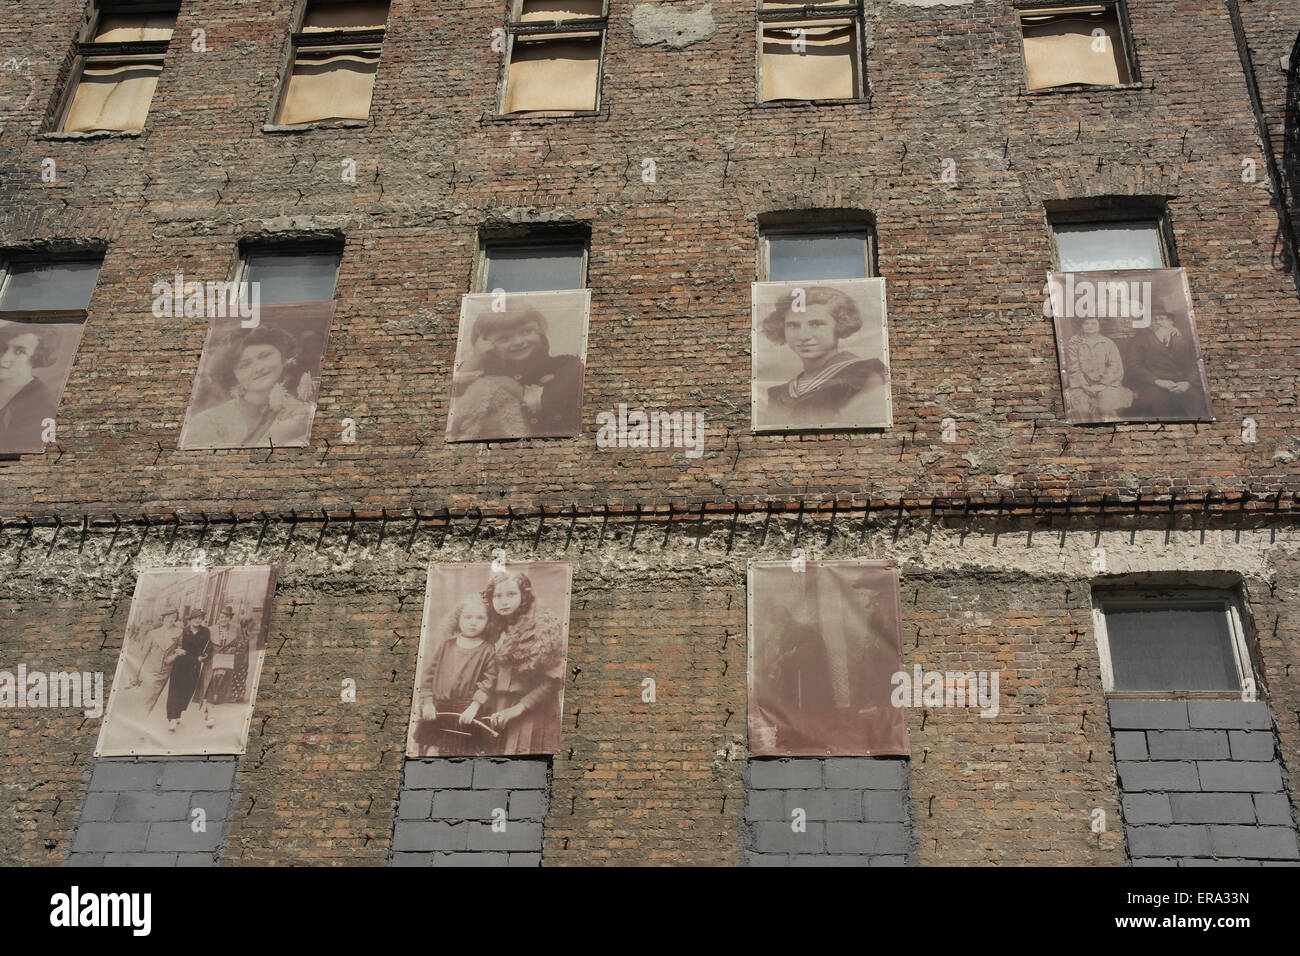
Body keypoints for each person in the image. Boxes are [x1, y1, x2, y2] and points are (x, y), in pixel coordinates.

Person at [447, 306, 584, 440]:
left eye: (526, 332)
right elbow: (454, 404)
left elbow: (559, 401)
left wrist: (520, 392)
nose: (519, 342)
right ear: (486, 345)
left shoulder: (565, 365)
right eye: (504, 339)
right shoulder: (488, 373)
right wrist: (476, 359)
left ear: (540, 332)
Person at [759, 287, 888, 428]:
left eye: (816, 324)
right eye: (793, 325)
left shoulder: (862, 377)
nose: (803, 336)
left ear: (839, 325)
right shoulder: (778, 394)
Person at [183, 325, 316, 448]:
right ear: (232, 375)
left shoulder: (305, 415)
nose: (258, 368)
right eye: (245, 365)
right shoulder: (208, 422)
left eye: (265, 356)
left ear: (283, 356)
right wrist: (278, 436)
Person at [481, 569, 566, 754]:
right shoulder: (491, 628)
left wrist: (517, 709)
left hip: (530, 710)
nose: (503, 601)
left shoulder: (542, 629)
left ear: (524, 596)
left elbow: (555, 679)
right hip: (496, 708)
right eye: (498, 595)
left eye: (511, 594)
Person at [411, 594, 500, 756]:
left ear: (488, 622)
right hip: (438, 708)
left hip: (465, 711)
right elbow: (428, 676)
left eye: (480, 618)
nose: (473, 622)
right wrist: (428, 703)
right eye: (468, 617)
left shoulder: (488, 650)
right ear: (458, 619)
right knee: (431, 752)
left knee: (459, 754)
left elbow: (489, 682)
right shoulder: (447, 645)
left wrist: (474, 707)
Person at [1128, 310, 1204, 419]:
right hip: (1155, 384)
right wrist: (1157, 381)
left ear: (1171, 322)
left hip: (1183, 383)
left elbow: (1196, 363)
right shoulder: (1140, 341)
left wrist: (1188, 382)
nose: (1158, 322)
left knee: (1197, 401)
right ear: (1149, 325)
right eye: (1154, 319)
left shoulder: (1185, 340)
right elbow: (1135, 366)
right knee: (1152, 402)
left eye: (1163, 319)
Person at [0, 323, 59, 451]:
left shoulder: (42, 404)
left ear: (37, 357)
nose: (4, 358)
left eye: (19, 351)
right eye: (3, 348)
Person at [1063, 317, 1134, 420]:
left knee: (1105, 404)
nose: (1090, 326)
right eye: (1086, 323)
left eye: (1093, 323)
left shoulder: (1108, 343)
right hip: (1082, 385)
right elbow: (1073, 367)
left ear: (1099, 326)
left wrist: (1101, 385)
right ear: (1081, 326)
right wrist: (1084, 385)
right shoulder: (1074, 344)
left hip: (1107, 384)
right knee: (1080, 405)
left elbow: (1115, 367)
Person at [127, 608, 182, 720]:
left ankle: (141, 719)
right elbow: (143, 655)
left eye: (173, 617)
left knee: (153, 697)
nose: (170, 619)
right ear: (163, 618)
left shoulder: (179, 632)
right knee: (146, 695)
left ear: (176, 618)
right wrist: (135, 675)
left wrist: (175, 655)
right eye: (168, 617)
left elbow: (179, 648)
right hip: (151, 669)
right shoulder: (153, 633)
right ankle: (138, 719)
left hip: (165, 670)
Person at [164, 609, 211, 733]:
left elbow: (208, 647)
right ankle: (172, 718)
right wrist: (178, 652)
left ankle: (178, 713)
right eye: (195, 617)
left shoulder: (205, 632)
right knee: (175, 690)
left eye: (200, 617)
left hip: (195, 666)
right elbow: (175, 648)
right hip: (181, 664)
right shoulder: (183, 632)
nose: (198, 620)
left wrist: (204, 656)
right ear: (190, 619)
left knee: (187, 691)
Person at [198, 606, 241, 727]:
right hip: (211, 662)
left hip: (225, 661)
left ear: (230, 619)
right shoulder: (210, 630)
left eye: (226, 617)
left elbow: (241, 644)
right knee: (210, 686)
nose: (223, 619)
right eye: (222, 617)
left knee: (220, 687)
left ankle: (209, 710)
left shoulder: (235, 630)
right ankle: (211, 715)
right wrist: (203, 656)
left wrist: (234, 649)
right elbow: (204, 646)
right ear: (219, 617)